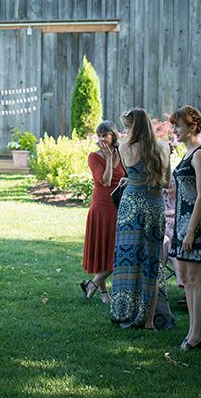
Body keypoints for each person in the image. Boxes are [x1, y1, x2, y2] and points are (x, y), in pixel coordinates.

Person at [110, 108, 174, 330]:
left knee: (128, 260)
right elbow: (166, 183)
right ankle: (148, 321)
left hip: (131, 206)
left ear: (133, 127)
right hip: (154, 205)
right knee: (151, 262)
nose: (125, 130)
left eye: (127, 126)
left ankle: (126, 309)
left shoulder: (125, 147)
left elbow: (130, 172)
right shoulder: (163, 148)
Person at [168, 106, 201, 350]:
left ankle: (198, 335)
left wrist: (191, 230)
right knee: (186, 278)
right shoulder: (186, 154)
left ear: (193, 126)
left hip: (195, 224)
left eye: (178, 125)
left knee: (198, 281)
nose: (174, 130)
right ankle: (192, 332)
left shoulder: (200, 155)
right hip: (182, 222)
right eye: (174, 125)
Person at [81, 121, 127, 304]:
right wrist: (108, 158)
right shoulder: (94, 157)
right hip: (101, 206)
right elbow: (106, 181)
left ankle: (92, 284)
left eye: (105, 135)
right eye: (99, 135)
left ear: (113, 136)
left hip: (119, 204)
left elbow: (129, 175)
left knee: (117, 249)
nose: (102, 139)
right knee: (103, 247)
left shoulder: (122, 154)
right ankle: (103, 292)